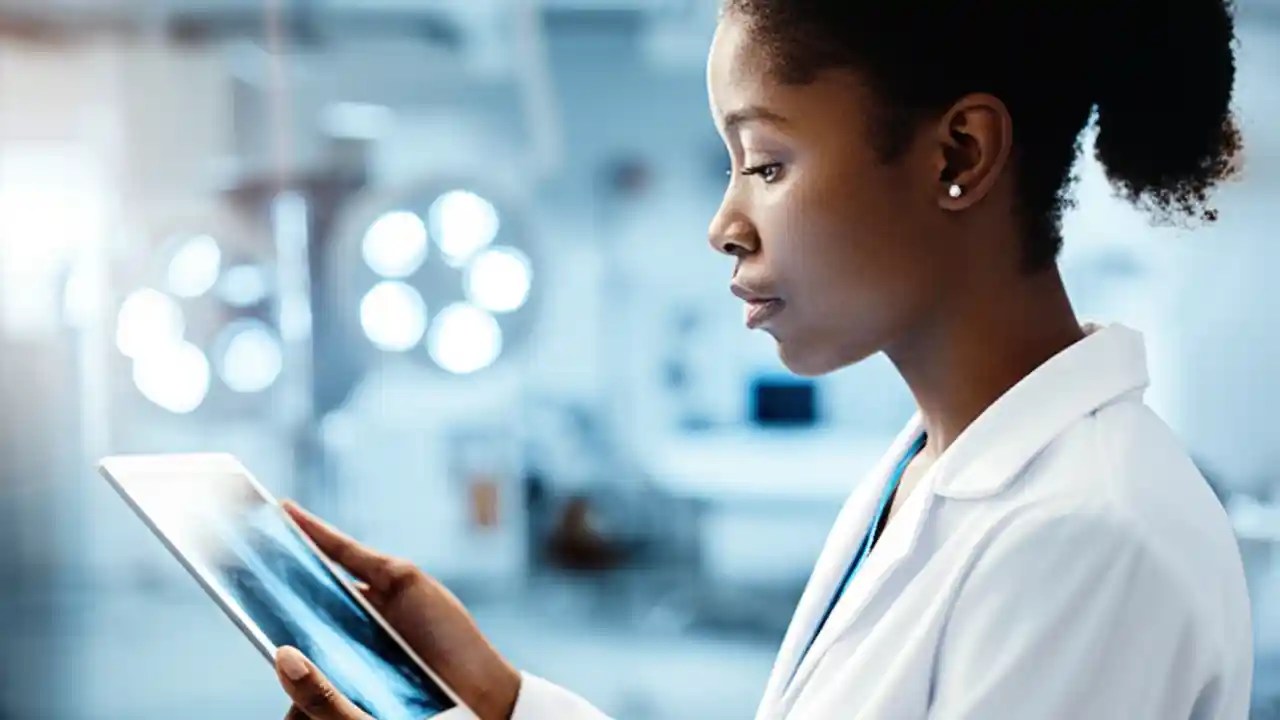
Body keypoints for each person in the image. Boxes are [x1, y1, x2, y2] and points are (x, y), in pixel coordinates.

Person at [271, 0, 1254, 718]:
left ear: (957, 155)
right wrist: (501, 702)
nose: (723, 227)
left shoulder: (1085, 539)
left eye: (766, 164)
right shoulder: (932, 471)